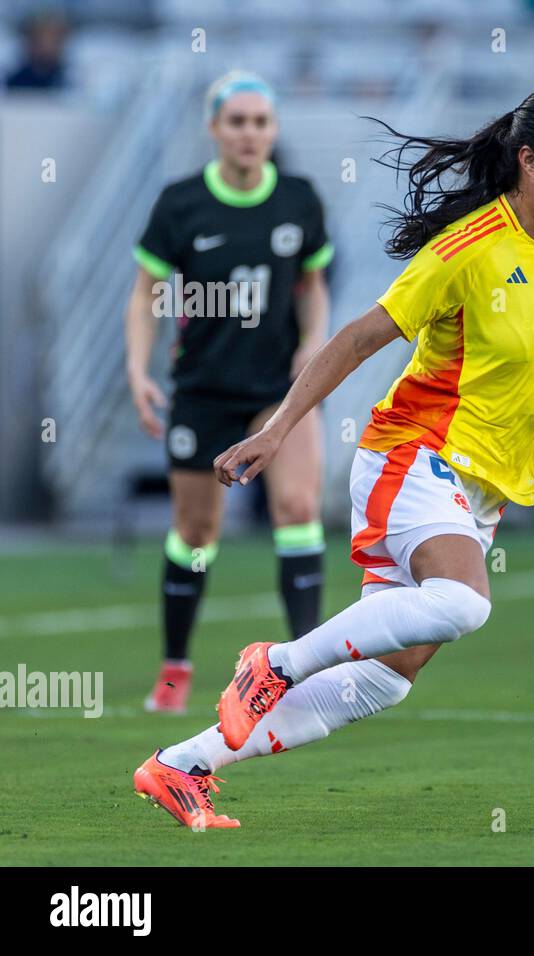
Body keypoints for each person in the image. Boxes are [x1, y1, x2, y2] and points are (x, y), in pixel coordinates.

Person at [131, 87, 534, 830]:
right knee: (464, 602)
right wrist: (277, 428)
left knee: (382, 683)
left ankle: (182, 765)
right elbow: (357, 338)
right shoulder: (465, 249)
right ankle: (274, 663)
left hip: (482, 490)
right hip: (414, 454)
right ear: (529, 161)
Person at [124, 71, 333, 714]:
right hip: (204, 393)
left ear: (273, 130)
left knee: (297, 508)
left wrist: (314, 341)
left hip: (278, 392)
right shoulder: (181, 204)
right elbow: (145, 293)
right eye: (237, 121)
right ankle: (174, 670)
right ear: (214, 129)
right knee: (195, 531)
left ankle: (304, 671)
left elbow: (315, 286)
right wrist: (138, 372)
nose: (249, 133)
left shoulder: (299, 199)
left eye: (260, 122)